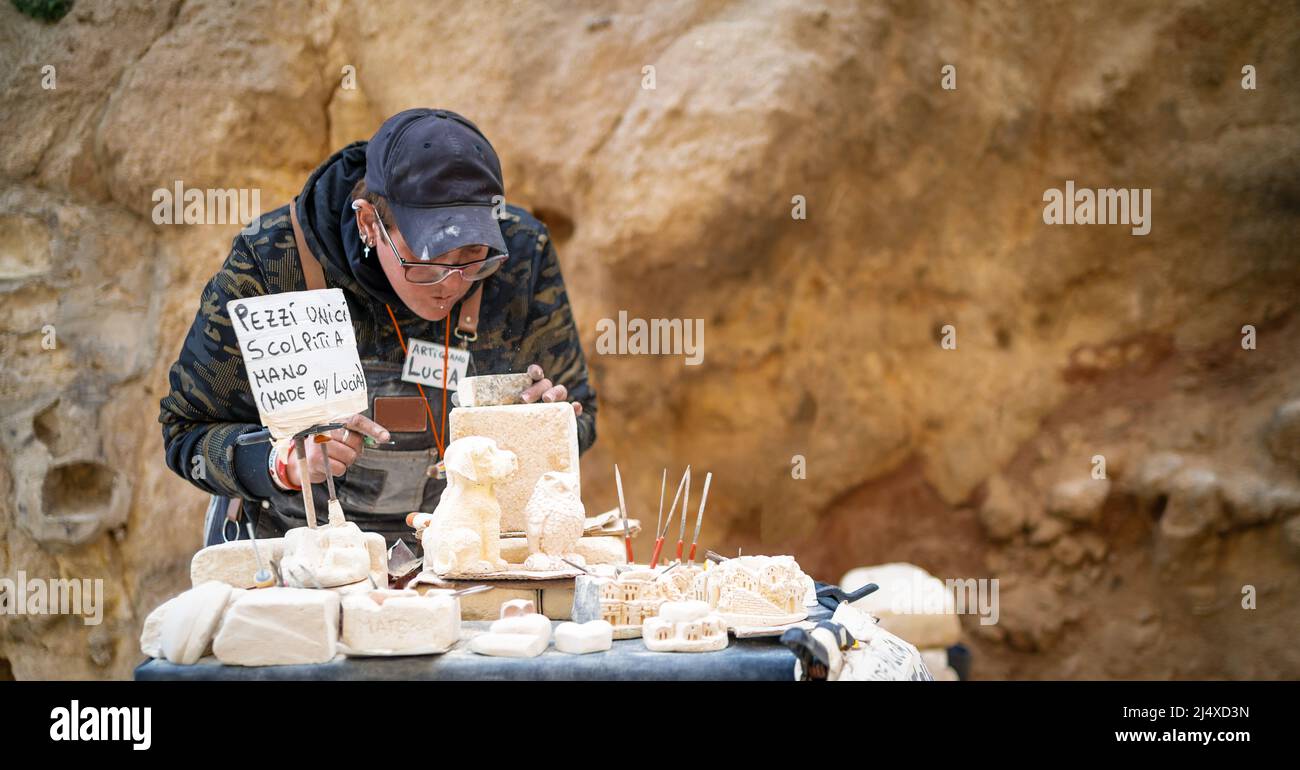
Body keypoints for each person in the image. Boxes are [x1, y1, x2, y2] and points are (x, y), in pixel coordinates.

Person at [159, 108, 596, 546]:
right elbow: (186, 432)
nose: (451, 286)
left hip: (458, 551)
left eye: (471, 259)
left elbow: (580, 417)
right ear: (369, 223)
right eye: (426, 263)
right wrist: (282, 462)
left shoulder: (519, 253)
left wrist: (544, 422)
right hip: (296, 554)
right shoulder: (273, 263)